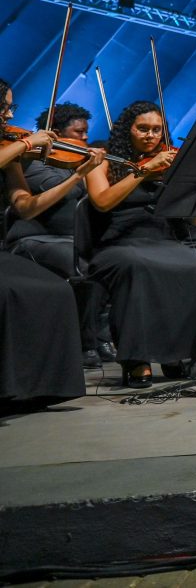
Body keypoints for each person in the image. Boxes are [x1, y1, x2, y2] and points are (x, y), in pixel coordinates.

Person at [84, 100, 196, 388]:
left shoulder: (169, 161)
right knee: (138, 268)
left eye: (156, 130)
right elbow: (102, 202)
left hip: (163, 239)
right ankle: (136, 359)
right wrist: (142, 173)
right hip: (118, 243)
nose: (151, 136)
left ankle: (176, 354)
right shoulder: (104, 161)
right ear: (128, 130)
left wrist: (193, 183)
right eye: (143, 129)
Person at [0, 82, 85, 405]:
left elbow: (25, 207)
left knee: (56, 290)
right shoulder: (16, 148)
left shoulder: (11, 155)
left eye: (11, 108)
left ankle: (33, 389)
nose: (9, 114)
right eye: (4, 107)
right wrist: (24, 144)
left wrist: (77, 176)